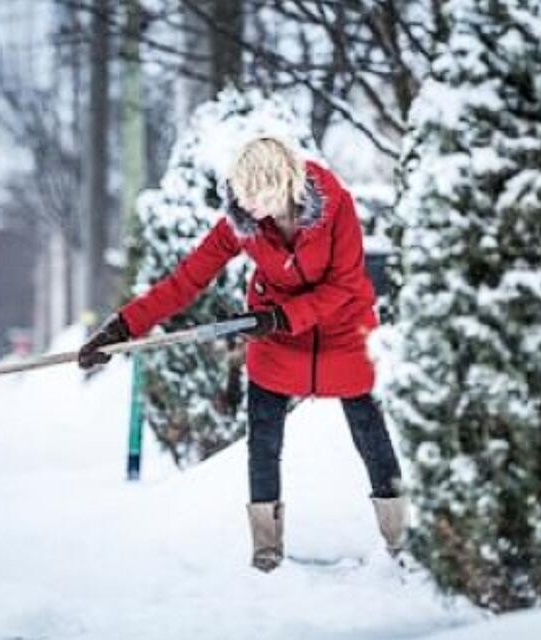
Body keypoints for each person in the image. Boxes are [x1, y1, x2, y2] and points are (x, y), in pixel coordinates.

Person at [77, 135, 406, 572]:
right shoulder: (243, 219)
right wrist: (120, 329)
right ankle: (266, 552)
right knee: (263, 439)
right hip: (276, 335)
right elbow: (185, 281)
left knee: (370, 434)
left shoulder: (336, 205)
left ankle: (401, 542)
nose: (246, 204)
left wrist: (281, 318)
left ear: (285, 183)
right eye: (241, 192)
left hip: (343, 328)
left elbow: (345, 285)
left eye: (257, 193)